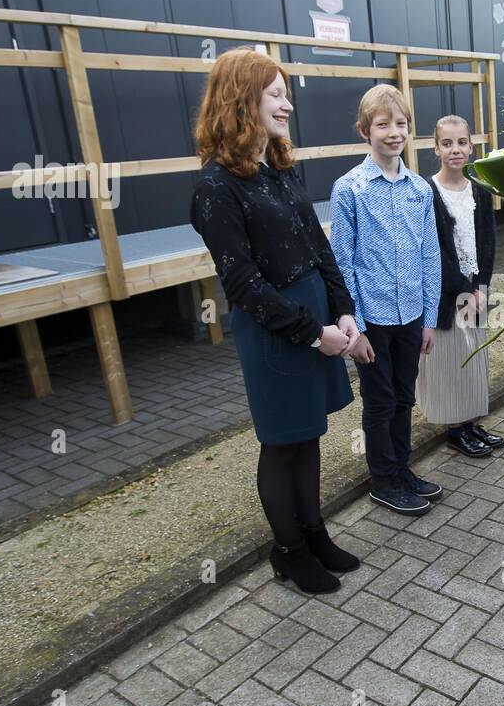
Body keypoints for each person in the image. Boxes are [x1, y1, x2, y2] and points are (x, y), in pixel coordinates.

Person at [189, 47, 361, 595]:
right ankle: (286, 551)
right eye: (277, 94)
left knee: (309, 433)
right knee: (282, 441)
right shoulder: (216, 187)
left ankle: (313, 534)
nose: (287, 104)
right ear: (243, 98)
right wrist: (314, 332)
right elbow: (241, 284)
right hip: (276, 333)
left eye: (286, 94)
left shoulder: (280, 168)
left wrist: (344, 309)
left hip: (316, 320)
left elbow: (320, 247)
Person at [330, 85, 443, 517]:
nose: (393, 133)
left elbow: (430, 253)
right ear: (364, 130)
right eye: (382, 125)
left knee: (404, 396)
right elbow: (342, 260)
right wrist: (353, 326)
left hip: (411, 313)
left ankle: (401, 468)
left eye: (400, 124)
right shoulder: (350, 189)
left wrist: (429, 318)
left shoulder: (419, 189)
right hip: (372, 318)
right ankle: (383, 479)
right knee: (378, 402)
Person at [417, 115, 503, 458]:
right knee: (450, 362)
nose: (456, 149)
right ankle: (455, 428)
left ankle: (469, 421)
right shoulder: (428, 192)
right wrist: (463, 290)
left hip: (475, 293)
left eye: (462, 143)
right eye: (447, 143)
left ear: (471, 146)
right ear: (436, 148)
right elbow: (434, 251)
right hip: (447, 295)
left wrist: (481, 286)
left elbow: (488, 241)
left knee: (472, 358)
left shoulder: (479, 190)